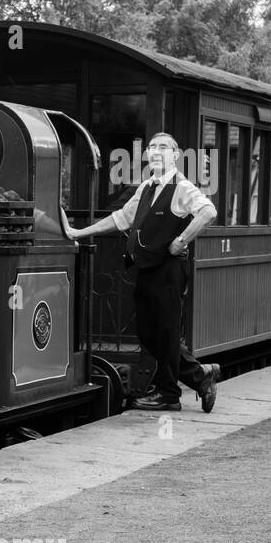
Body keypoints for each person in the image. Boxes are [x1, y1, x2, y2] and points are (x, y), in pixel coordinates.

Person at [64, 132, 220, 412]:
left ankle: (169, 395)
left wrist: (180, 241)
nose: (157, 151)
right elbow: (121, 217)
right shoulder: (147, 186)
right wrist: (79, 232)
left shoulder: (181, 186)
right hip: (147, 268)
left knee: (167, 333)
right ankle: (200, 376)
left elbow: (208, 212)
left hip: (169, 270)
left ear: (175, 155)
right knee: (149, 333)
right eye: (152, 147)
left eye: (164, 147)